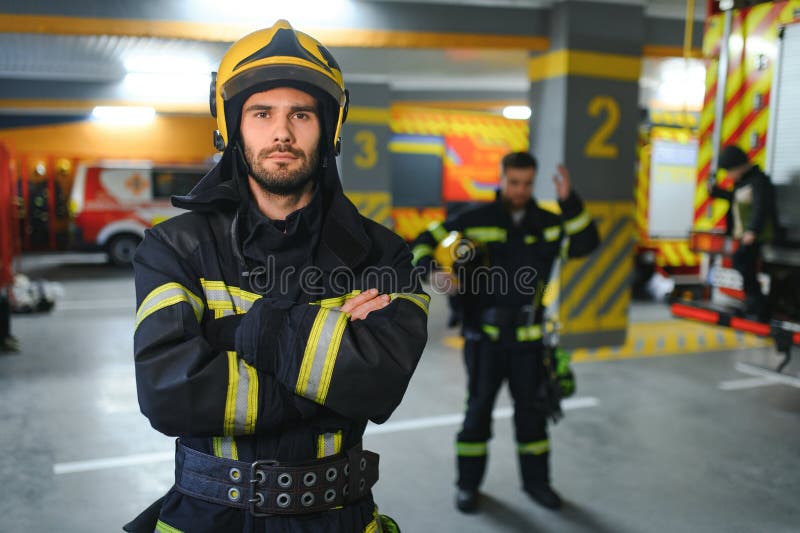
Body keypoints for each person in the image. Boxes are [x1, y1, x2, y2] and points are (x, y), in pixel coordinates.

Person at [127, 20, 428, 533]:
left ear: (329, 127)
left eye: (301, 114)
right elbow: (168, 393)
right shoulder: (172, 247)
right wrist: (327, 365)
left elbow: (378, 384)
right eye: (262, 113)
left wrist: (237, 333)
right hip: (207, 518)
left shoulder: (384, 253)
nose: (282, 132)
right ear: (232, 126)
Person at [411, 152, 599, 512]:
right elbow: (420, 241)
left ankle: (537, 484)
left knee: (532, 416)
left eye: (527, 183)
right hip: (484, 341)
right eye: (514, 182)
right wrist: (433, 272)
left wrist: (568, 202)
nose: (520, 190)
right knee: (477, 413)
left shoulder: (547, 223)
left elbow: (587, 242)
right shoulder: (473, 218)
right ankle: (467, 486)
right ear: (501, 179)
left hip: (530, 345)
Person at [709, 145, 779, 320]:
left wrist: (752, 231)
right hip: (745, 235)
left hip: (755, 235)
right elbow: (735, 197)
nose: (728, 176)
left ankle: (758, 307)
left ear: (739, 166)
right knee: (743, 266)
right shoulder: (744, 182)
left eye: (729, 171)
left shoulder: (759, 181)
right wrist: (717, 192)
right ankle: (755, 305)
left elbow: (760, 208)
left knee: (743, 264)